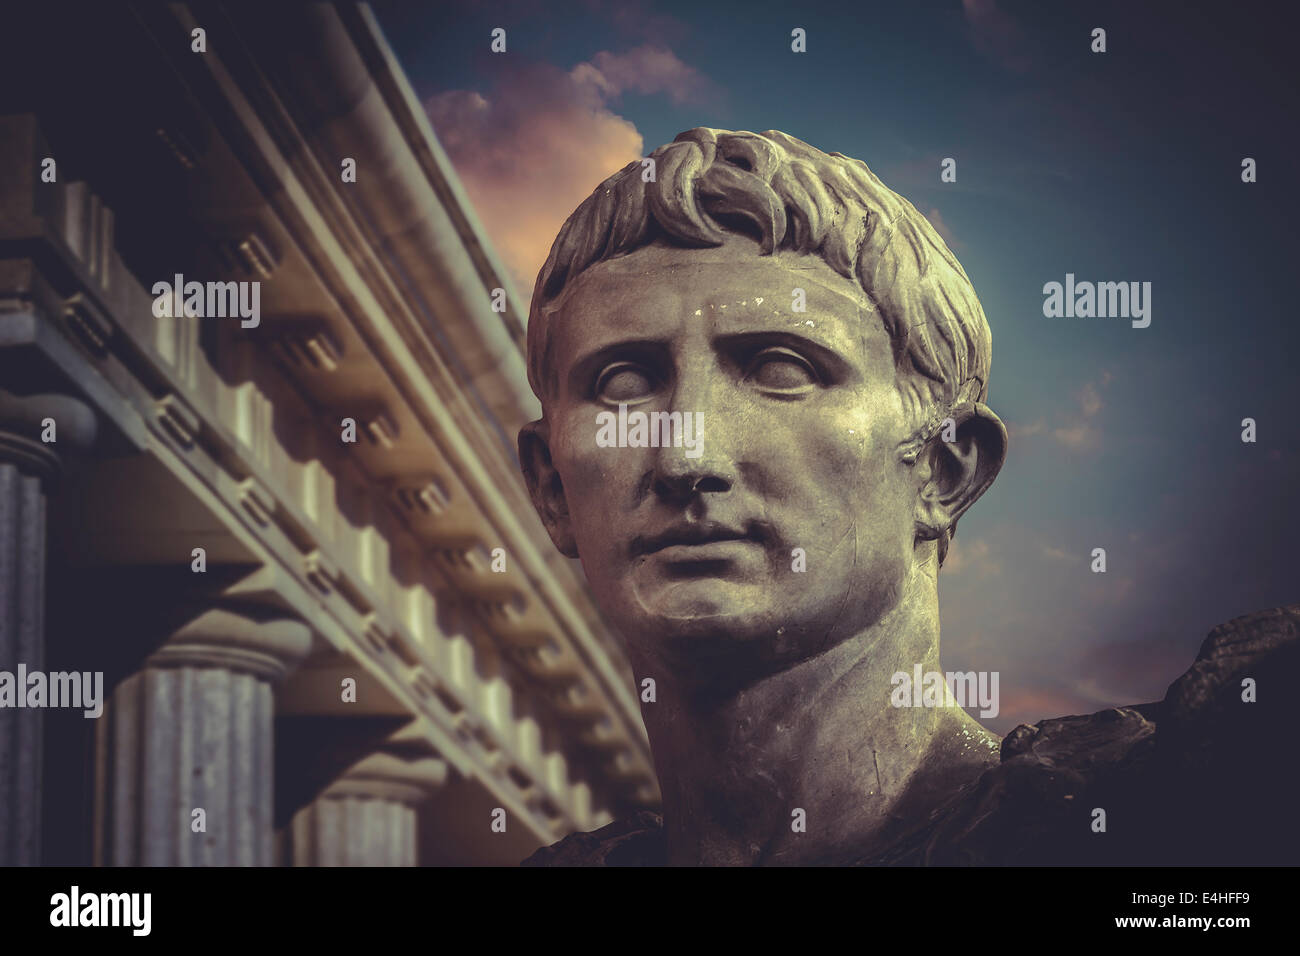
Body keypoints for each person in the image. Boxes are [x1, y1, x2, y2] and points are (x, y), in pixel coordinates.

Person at [516, 128, 1299, 866]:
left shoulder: (1202, 803)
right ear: (551, 488)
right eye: (621, 384)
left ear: (943, 469)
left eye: (781, 370)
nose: (688, 456)